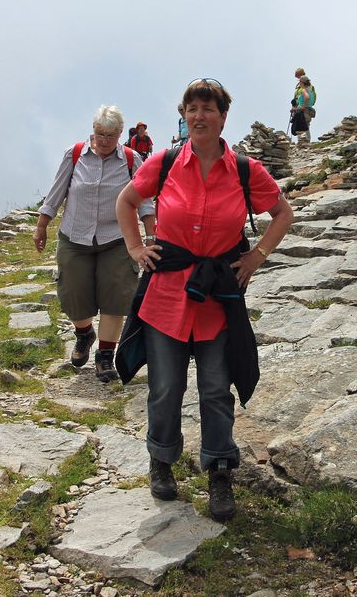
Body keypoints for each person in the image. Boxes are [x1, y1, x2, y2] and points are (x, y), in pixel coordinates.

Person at [115, 78, 293, 522]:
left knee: (216, 388)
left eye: (207, 109)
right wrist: (137, 248)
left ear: (222, 116)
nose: (198, 116)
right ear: (184, 115)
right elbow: (126, 200)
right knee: (165, 388)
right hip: (167, 293)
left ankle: (219, 470)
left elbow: (283, 213)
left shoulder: (247, 170)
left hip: (218, 295)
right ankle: (162, 459)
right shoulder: (166, 161)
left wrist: (257, 255)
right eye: (191, 109)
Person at [36, 105, 155, 382]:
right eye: (99, 134)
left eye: (110, 136)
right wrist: (42, 225)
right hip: (75, 237)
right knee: (74, 293)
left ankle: (105, 356)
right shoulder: (75, 154)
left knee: (116, 295)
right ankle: (84, 333)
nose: (103, 140)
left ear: (120, 134)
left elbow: (145, 201)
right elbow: (56, 193)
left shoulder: (131, 159)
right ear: (93, 129)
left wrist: (150, 237)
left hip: (116, 239)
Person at [291, 75, 313, 144]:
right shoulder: (310, 91)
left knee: (300, 127)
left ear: (302, 82)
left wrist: (302, 107)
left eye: (299, 82)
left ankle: (303, 144)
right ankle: (307, 143)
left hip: (304, 111)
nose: (299, 83)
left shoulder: (304, 90)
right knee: (306, 127)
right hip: (310, 111)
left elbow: (307, 97)